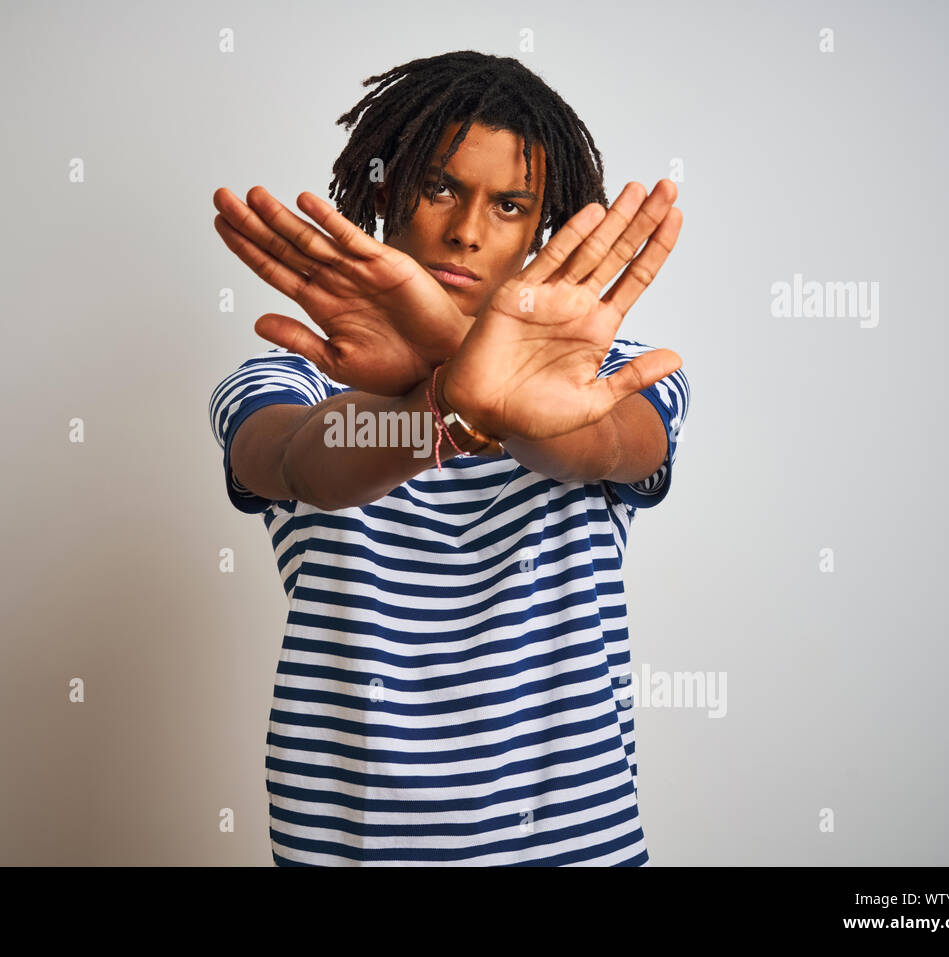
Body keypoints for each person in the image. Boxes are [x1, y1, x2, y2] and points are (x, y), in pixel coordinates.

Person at [207, 50, 690, 865]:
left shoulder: (599, 374)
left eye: (508, 204)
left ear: (541, 227)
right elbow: (300, 461)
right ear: (386, 187)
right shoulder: (287, 377)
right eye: (439, 187)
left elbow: (604, 446)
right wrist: (438, 408)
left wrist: (494, 392)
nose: (467, 228)